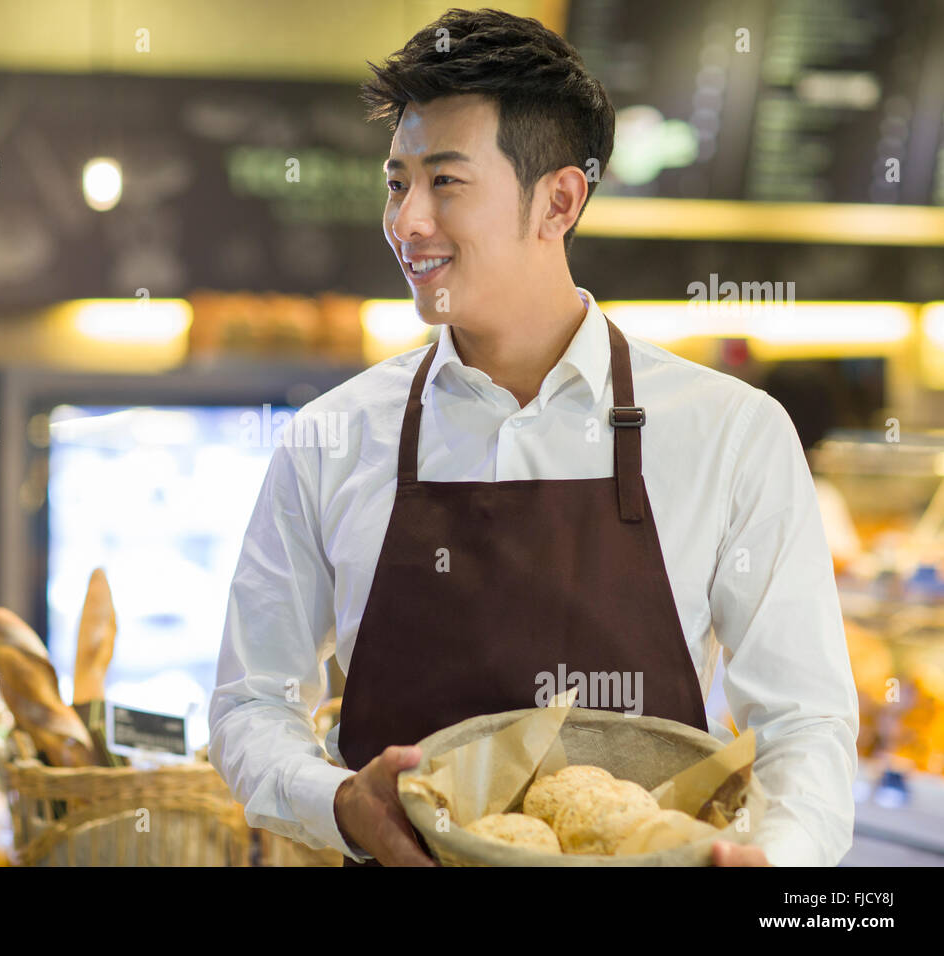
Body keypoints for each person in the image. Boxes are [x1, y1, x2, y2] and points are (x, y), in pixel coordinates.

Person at [208, 8, 857, 867]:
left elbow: (804, 723)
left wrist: (772, 864)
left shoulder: (729, 434)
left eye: (446, 182)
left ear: (559, 199)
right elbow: (250, 704)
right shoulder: (332, 437)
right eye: (397, 182)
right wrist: (337, 803)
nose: (406, 222)